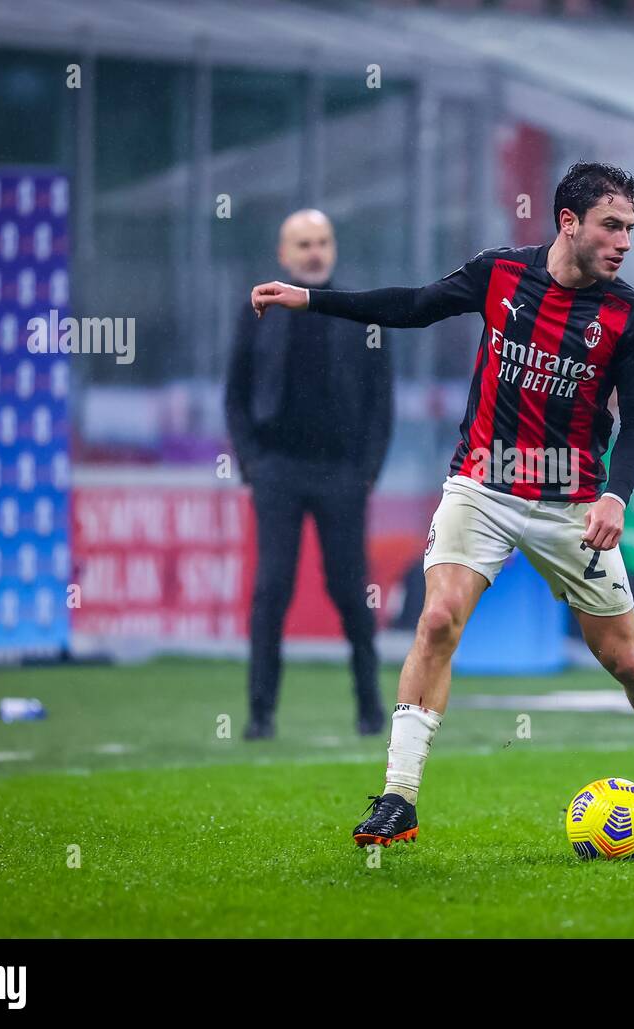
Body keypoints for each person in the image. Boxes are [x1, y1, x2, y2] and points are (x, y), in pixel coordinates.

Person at [250, 163, 634, 850]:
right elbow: (414, 305)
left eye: (630, 227)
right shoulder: (502, 274)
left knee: (628, 661)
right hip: (482, 484)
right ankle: (399, 799)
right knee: (439, 617)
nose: (624, 240)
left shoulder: (629, 316)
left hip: (571, 504)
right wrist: (313, 299)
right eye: (612, 225)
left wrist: (614, 495)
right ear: (567, 221)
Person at [225, 209, 392, 740]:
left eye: (322, 242)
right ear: (284, 254)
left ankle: (370, 710)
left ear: (333, 248)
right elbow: (235, 393)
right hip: (276, 469)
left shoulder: (359, 313)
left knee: (348, 590)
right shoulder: (258, 312)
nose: (314, 252)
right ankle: (259, 715)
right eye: (303, 244)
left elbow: (381, 403)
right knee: (272, 588)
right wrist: (251, 461)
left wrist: (367, 471)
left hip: (342, 473)